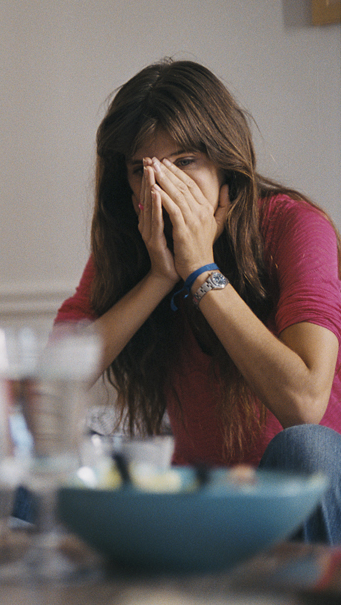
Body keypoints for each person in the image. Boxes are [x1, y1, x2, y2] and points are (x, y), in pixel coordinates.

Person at [55, 59, 341, 543]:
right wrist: (161, 276)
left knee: (306, 448)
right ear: (126, 182)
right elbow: (52, 376)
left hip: (302, 500)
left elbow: (305, 403)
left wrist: (203, 272)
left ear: (223, 161)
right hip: (209, 501)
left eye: (186, 162)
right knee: (32, 484)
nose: (168, 187)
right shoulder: (134, 245)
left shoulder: (293, 226)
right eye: (145, 168)